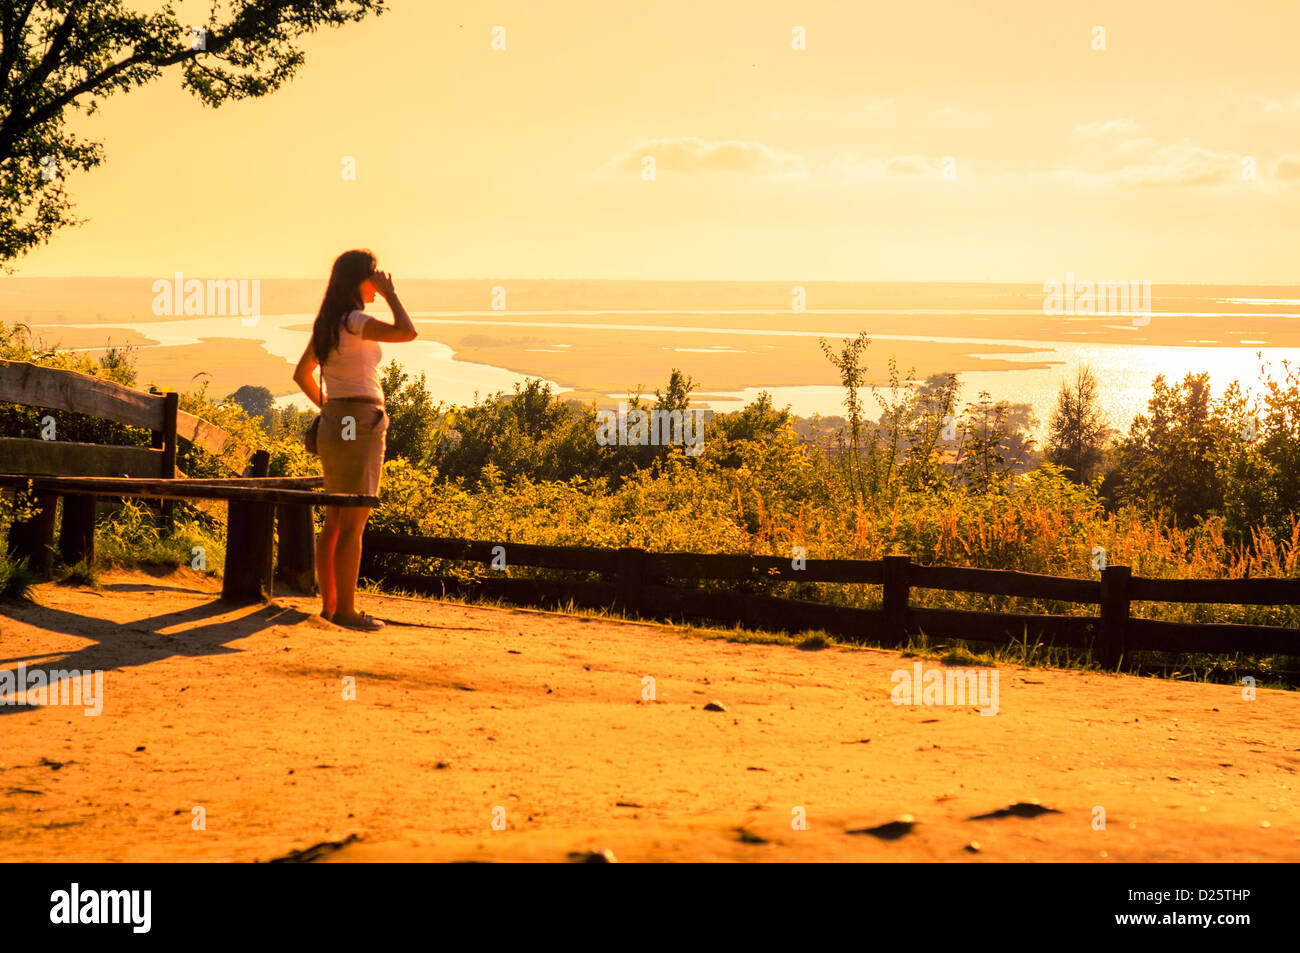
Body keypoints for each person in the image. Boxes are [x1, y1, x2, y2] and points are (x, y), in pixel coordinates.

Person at [293, 249, 417, 630]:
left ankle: (331, 608)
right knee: (354, 524)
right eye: (374, 277)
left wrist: (330, 410)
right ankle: (347, 611)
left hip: (335, 424)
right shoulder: (356, 321)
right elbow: (407, 332)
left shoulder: (327, 324)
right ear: (359, 279)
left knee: (334, 520)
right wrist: (393, 295)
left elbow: (302, 375)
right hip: (361, 422)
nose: (378, 284)